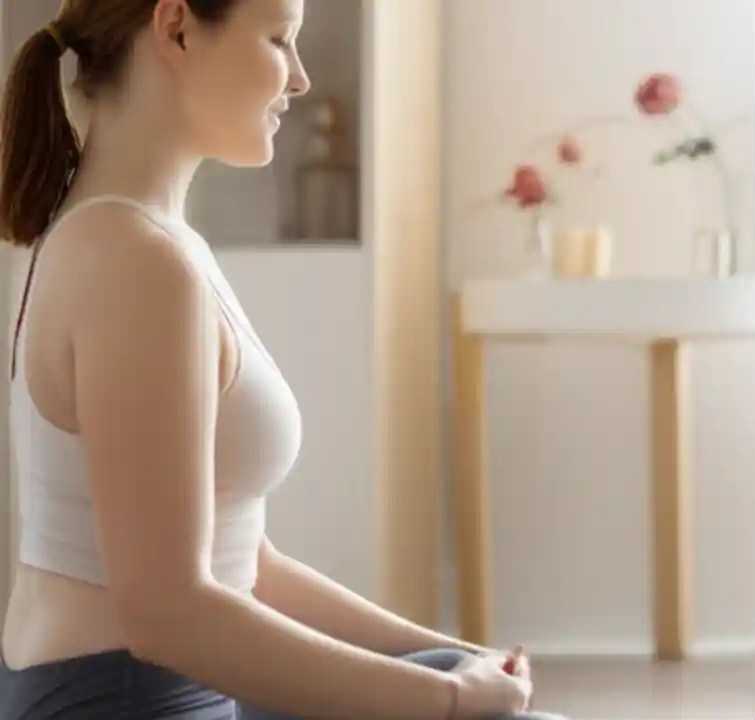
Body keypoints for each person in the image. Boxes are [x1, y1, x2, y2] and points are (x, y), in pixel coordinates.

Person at [0, 1, 565, 718]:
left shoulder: (151, 242)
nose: (299, 79)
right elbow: (166, 613)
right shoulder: (132, 261)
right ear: (176, 29)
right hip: (127, 701)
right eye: (279, 40)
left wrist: (461, 661)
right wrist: (450, 699)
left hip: (164, 688)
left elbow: (248, 568)